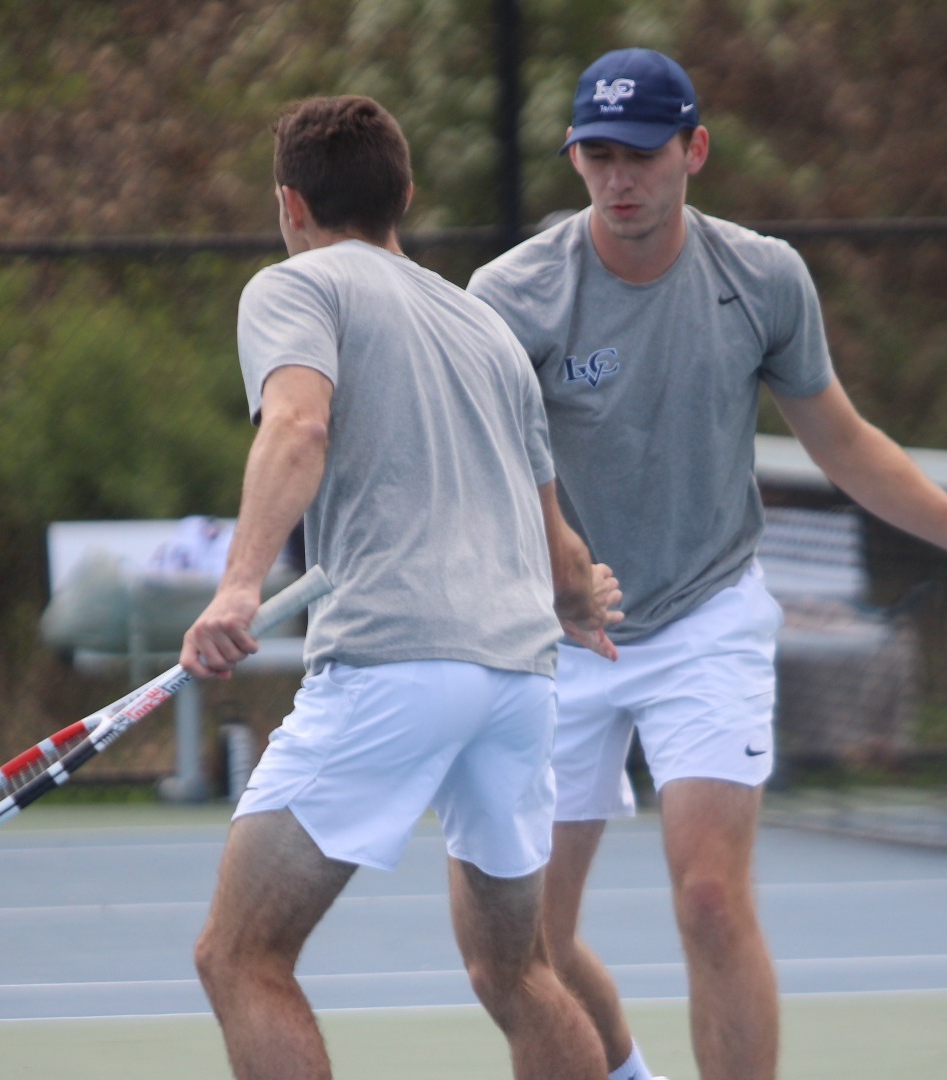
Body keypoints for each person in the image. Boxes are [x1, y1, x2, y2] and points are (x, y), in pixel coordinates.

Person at [468, 48, 947, 1080]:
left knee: (709, 898)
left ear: (694, 151)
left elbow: (843, 440)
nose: (620, 178)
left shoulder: (762, 278)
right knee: (527, 950)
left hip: (708, 618)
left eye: (643, 154)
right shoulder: (510, 295)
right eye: (599, 155)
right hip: (557, 636)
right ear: (573, 158)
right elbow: (483, 470)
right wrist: (554, 571)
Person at [177, 95, 620, 1080]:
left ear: (291, 204)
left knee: (239, 956)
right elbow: (561, 557)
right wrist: (582, 600)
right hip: (519, 680)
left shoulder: (294, 287)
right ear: (405, 195)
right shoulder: (487, 330)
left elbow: (297, 425)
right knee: (519, 972)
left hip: (395, 665)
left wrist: (238, 588)